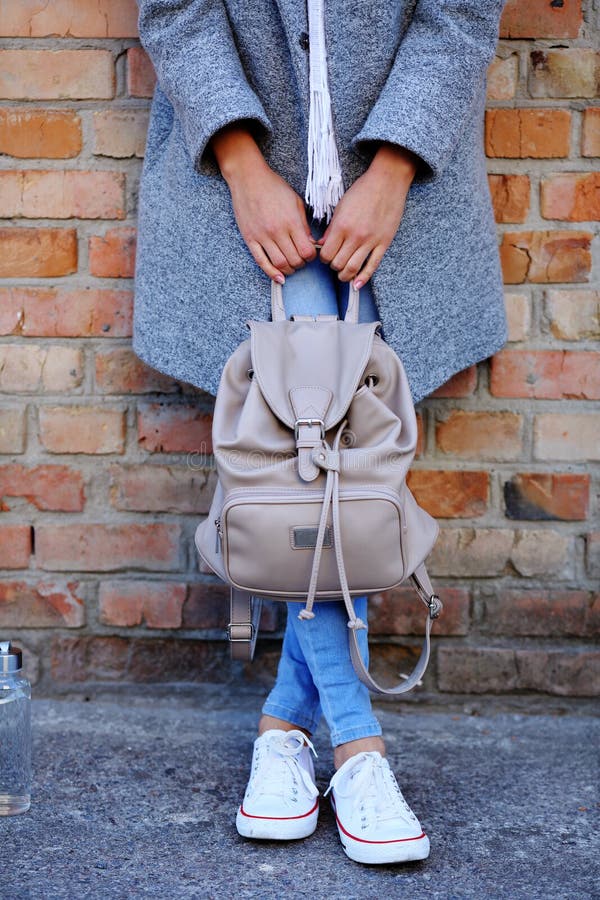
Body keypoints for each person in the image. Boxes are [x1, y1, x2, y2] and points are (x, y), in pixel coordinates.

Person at [134, 0, 508, 865]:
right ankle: (359, 743)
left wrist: (392, 171)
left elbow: (459, 13)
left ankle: (280, 731)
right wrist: (242, 166)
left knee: (341, 473)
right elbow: (177, 10)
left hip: (395, 197)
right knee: (314, 469)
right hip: (241, 192)